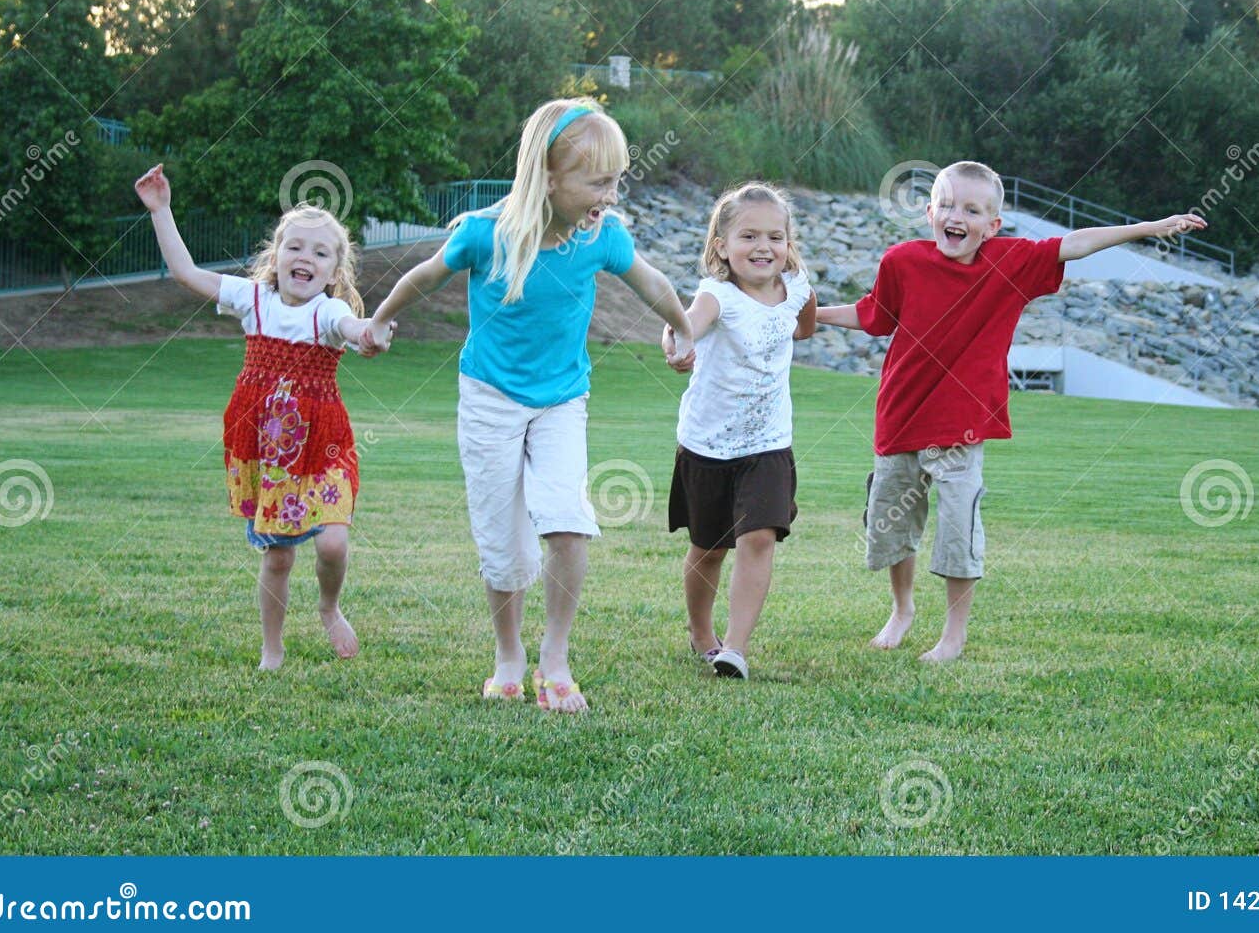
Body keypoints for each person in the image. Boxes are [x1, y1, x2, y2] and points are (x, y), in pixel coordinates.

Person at [364, 100, 693, 713]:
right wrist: (379, 320)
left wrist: (682, 330)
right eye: (598, 181)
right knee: (505, 540)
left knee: (567, 518)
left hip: (563, 399)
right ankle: (508, 653)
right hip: (488, 398)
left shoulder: (600, 238)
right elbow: (422, 277)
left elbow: (653, 282)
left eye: (616, 179)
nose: (611, 194)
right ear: (547, 175)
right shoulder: (482, 233)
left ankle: (556, 658)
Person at [817, 161, 1206, 662]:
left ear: (993, 225)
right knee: (892, 525)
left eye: (973, 210)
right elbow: (872, 314)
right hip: (900, 418)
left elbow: (1077, 242)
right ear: (930, 211)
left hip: (960, 427)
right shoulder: (901, 261)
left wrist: (1152, 228)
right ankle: (902, 610)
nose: (957, 217)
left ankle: (953, 636)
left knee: (959, 528)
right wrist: (808, 315)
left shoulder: (1011, 262)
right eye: (948, 206)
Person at [134, 164, 389, 670]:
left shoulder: (326, 314)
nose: (305, 258)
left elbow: (354, 326)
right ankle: (272, 647)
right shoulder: (254, 300)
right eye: (295, 247)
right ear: (276, 257)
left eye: (320, 252)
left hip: (322, 446)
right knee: (278, 557)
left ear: (334, 273)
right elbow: (187, 274)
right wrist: (161, 211)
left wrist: (371, 334)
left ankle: (329, 607)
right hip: (268, 448)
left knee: (334, 543)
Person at [661, 184, 816, 680]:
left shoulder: (796, 289)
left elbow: (804, 326)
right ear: (722, 246)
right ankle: (703, 633)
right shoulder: (717, 296)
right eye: (748, 235)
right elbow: (684, 324)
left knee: (759, 538)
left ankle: (737, 649)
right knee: (709, 547)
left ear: (789, 245)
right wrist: (676, 343)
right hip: (708, 445)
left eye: (776, 236)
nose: (763, 246)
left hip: (768, 445)